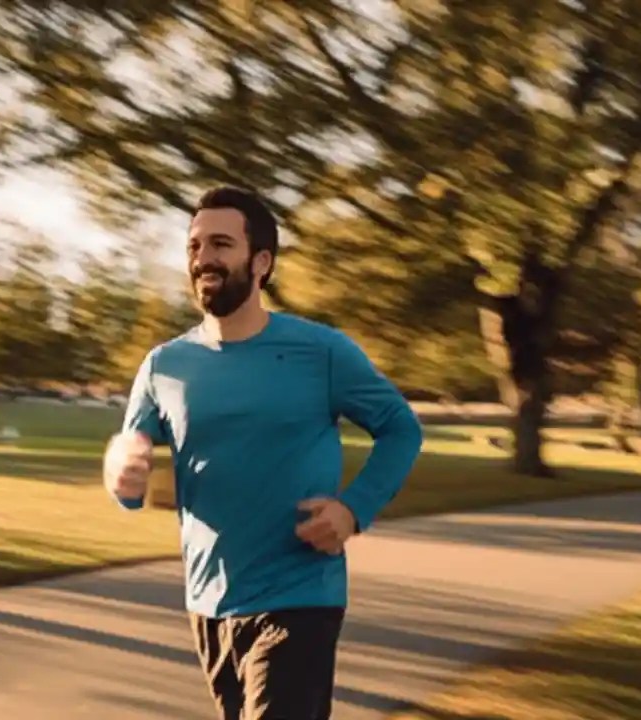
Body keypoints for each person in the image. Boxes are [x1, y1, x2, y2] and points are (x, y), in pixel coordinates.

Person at [102, 186, 424, 720]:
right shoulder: (165, 365)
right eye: (195, 246)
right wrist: (122, 472)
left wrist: (352, 509)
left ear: (261, 262)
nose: (204, 258)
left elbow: (400, 429)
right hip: (208, 602)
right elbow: (128, 461)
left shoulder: (321, 352)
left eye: (221, 244)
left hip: (300, 595)